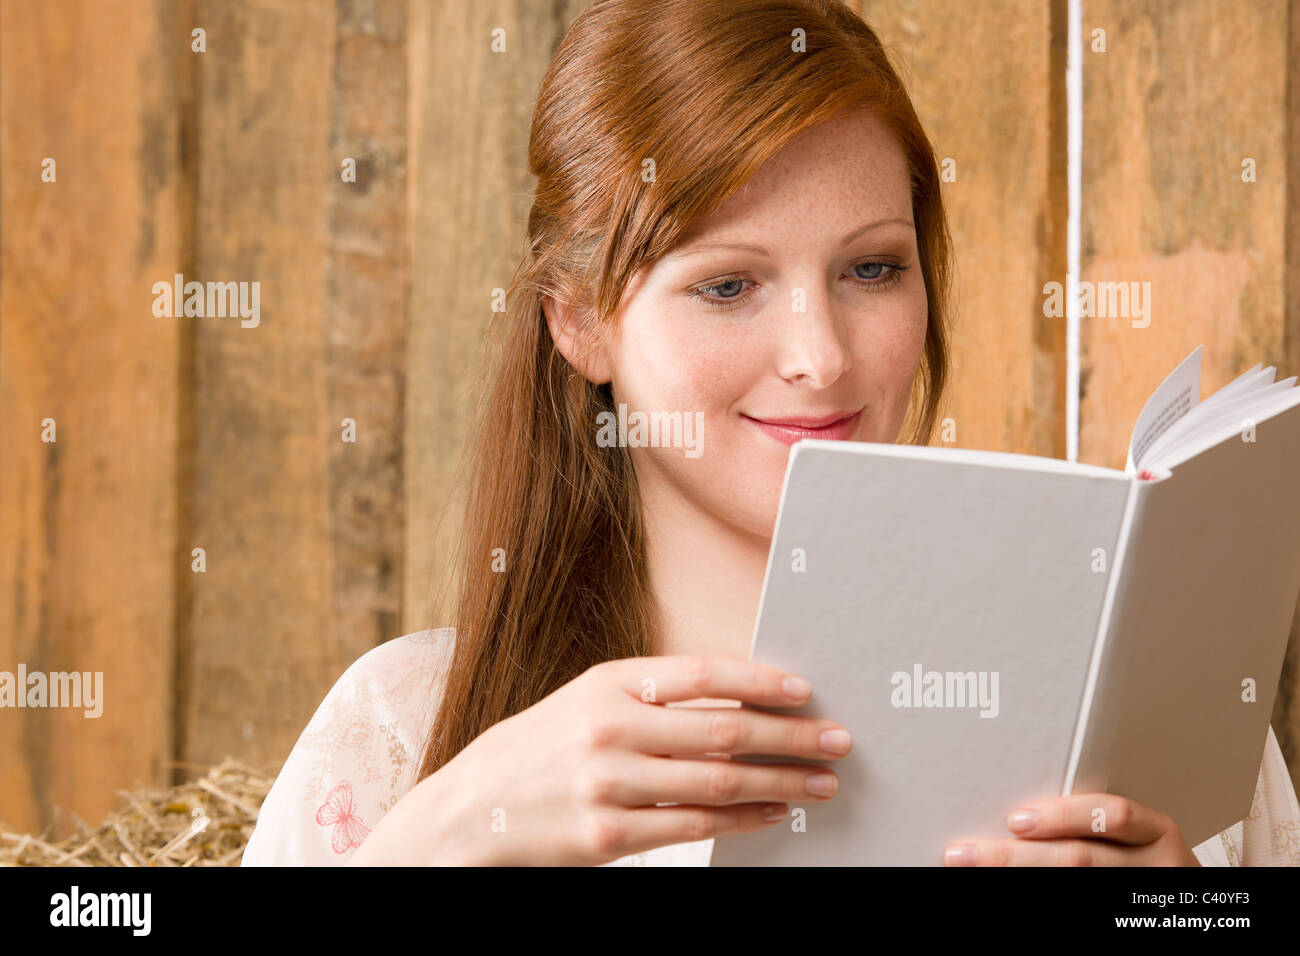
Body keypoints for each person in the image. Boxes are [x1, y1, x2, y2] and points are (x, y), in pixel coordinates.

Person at [242, 0, 1300, 867]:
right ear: (578, 322)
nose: (821, 356)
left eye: (871, 269)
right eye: (728, 284)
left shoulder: (1145, 713)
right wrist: (445, 833)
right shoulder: (400, 733)